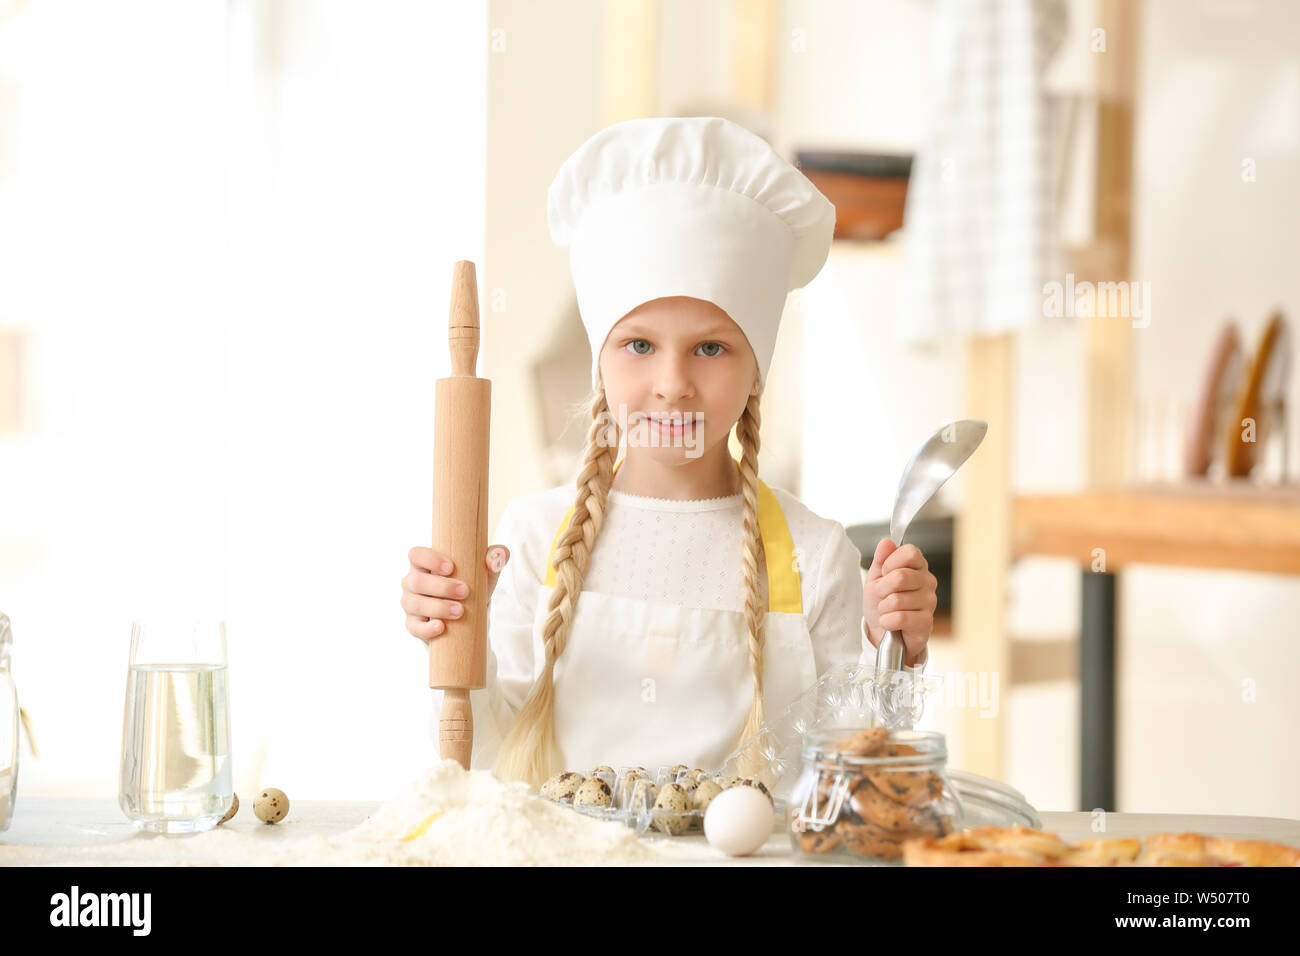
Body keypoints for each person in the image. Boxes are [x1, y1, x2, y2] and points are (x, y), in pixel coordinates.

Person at [400, 117, 937, 789]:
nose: (673, 383)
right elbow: (484, 759)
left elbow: (857, 776)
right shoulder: (531, 539)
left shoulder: (815, 556)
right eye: (640, 345)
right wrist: (455, 637)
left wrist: (897, 647)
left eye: (710, 348)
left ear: (755, 371)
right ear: (601, 363)